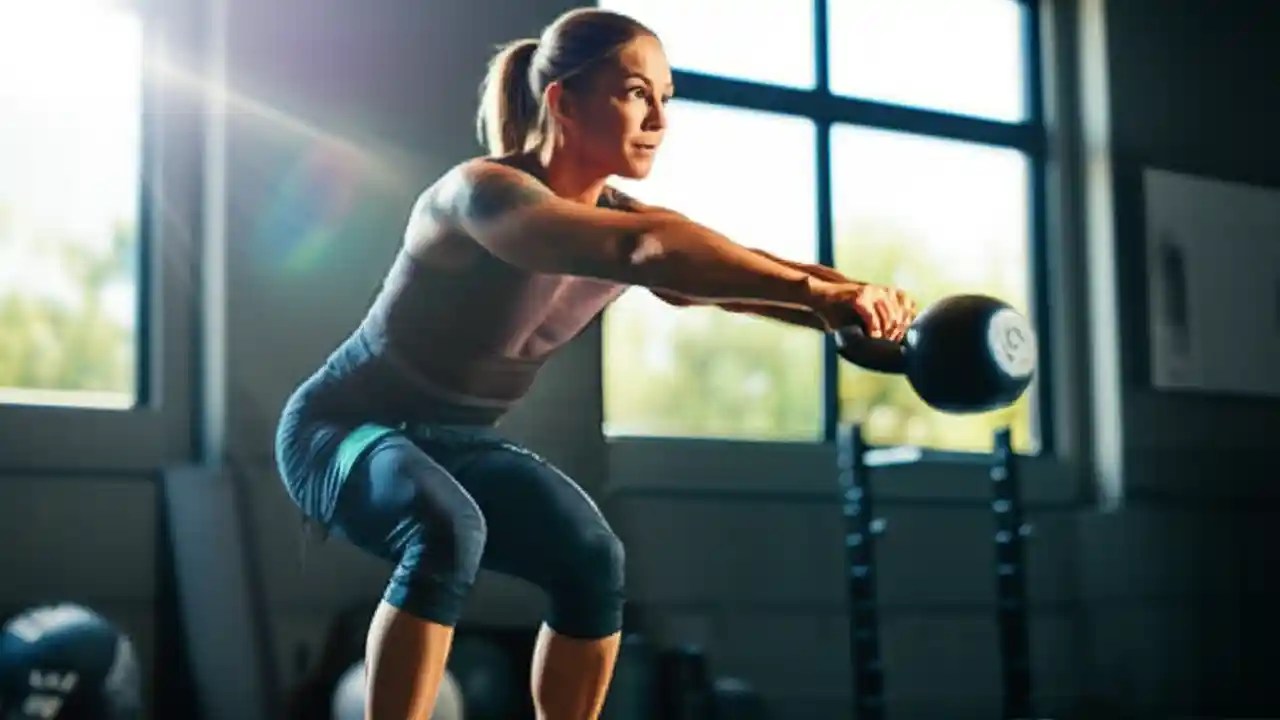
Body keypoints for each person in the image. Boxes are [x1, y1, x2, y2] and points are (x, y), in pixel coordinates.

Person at [274, 7, 918, 719]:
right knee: (446, 529)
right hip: (342, 429)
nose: (659, 120)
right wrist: (822, 296)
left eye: (666, 98)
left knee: (591, 557)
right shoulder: (480, 195)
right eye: (637, 93)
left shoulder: (631, 224)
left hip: (456, 442)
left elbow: (731, 275)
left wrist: (859, 308)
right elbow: (642, 250)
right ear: (564, 102)